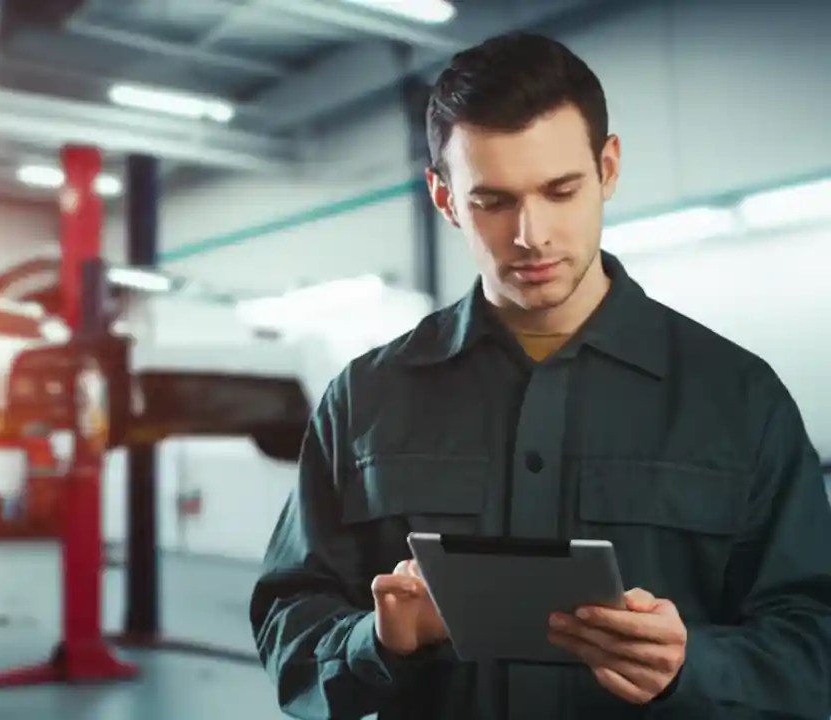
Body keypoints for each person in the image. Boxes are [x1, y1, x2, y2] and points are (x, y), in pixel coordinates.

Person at [249, 31, 831, 720]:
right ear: (444, 198)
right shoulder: (365, 399)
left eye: (561, 190)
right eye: (493, 201)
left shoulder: (739, 399)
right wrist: (374, 640)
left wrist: (691, 665)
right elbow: (289, 620)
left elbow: (814, 641)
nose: (531, 234)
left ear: (608, 168)